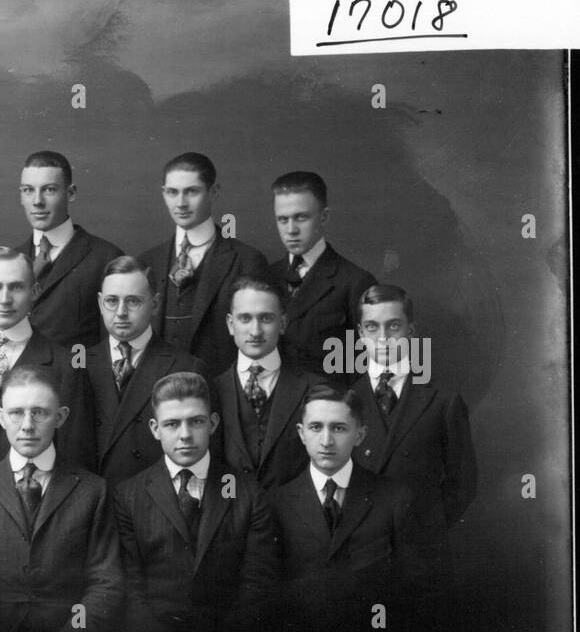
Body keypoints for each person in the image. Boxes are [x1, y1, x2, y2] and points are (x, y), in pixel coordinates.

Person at [0, 365, 121, 632]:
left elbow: (105, 581)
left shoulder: (92, 490)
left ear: (60, 417)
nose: (27, 425)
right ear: (0, 417)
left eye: (40, 413)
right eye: (16, 413)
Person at [113, 372, 277, 632]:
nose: (185, 435)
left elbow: (256, 587)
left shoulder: (248, 493)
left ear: (212, 423)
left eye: (196, 421)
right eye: (172, 424)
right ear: (155, 428)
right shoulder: (128, 496)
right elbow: (131, 589)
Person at [267, 385, 429, 632]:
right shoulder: (275, 504)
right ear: (301, 433)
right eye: (316, 427)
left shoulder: (394, 499)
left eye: (339, 428)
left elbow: (413, 589)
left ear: (360, 435)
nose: (326, 441)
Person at [349, 284, 477, 553]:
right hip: (358, 553)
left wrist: (425, 528)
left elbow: (462, 484)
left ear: (411, 331)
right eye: (372, 327)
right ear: (360, 334)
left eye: (393, 326)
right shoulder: (344, 401)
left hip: (420, 553)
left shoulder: (443, 401)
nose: (383, 338)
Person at [0, 247, 95, 469]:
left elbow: (76, 455)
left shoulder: (67, 365)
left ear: (35, 291)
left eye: (16, 287)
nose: (5, 299)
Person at [139, 151, 268, 376]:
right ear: (163, 193)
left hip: (220, 395)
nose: (180, 203)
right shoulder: (146, 262)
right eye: (172, 192)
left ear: (213, 192)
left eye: (192, 192)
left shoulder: (247, 261)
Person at [86, 255, 204, 485]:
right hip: (93, 503)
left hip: (151, 501)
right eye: (111, 301)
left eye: (133, 302)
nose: (120, 312)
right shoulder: (79, 364)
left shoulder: (186, 367)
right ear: (100, 303)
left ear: (155, 304)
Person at [12, 150, 122, 350]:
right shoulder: (12, 259)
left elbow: (112, 346)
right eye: (28, 190)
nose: (37, 201)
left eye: (49, 190)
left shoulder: (106, 258)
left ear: (70, 193)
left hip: (76, 374)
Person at [271, 170, 376, 377]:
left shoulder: (355, 283)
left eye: (301, 217)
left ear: (324, 217)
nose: (291, 229)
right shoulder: (265, 276)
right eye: (282, 220)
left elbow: (369, 369)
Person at [214, 276, 314, 490]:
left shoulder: (313, 389)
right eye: (245, 319)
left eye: (266, 318)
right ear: (231, 325)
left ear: (283, 323)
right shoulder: (212, 390)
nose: (256, 331)